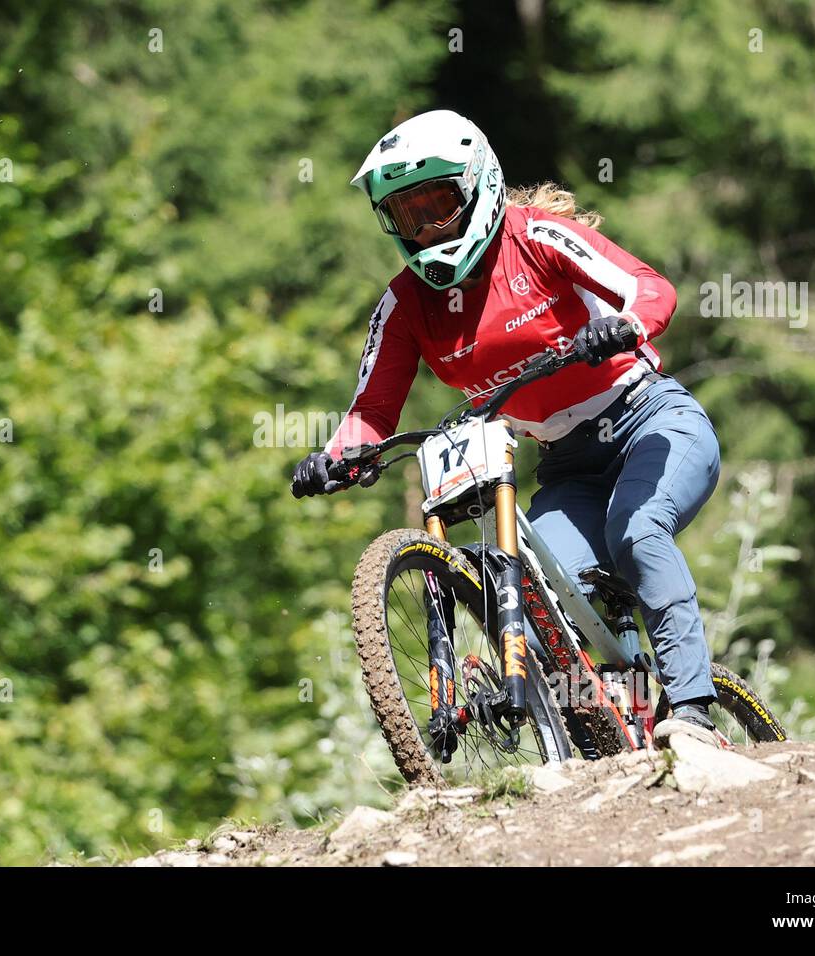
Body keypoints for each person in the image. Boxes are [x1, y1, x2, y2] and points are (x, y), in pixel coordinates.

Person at [290, 109, 722, 748]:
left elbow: (649, 287)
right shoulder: (404, 304)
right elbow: (371, 413)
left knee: (635, 532)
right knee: (547, 593)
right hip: (565, 465)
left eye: (438, 206)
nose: (426, 228)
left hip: (651, 424)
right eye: (407, 217)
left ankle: (692, 712)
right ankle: (616, 726)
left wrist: (625, 326)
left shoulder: (540, 238)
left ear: (478, 186)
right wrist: (337, 458)